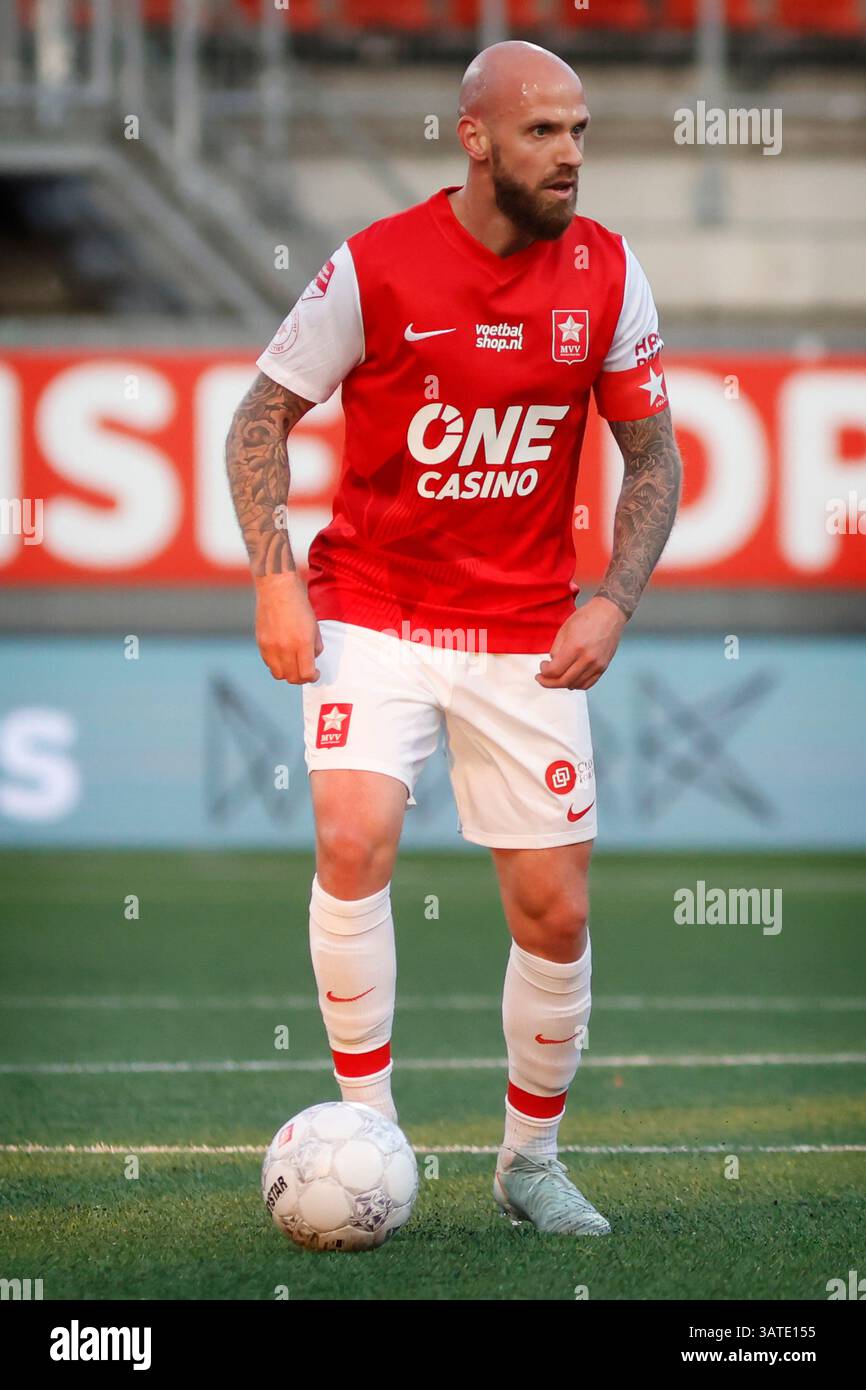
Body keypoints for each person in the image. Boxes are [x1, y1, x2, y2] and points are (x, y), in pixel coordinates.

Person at [226, 40, 682, 1236]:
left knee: (555, 913)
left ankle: (526, 1162)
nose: (570, 154)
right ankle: (369, 1130)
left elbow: (654, 458)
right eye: (543, 132)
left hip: (527, 628)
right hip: (373, 604)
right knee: (351, 831)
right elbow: (258, 418)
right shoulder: (375, 266)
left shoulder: (608, 273)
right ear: (473, 137)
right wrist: (277, 579)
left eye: (579, 131)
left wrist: (612, 598)